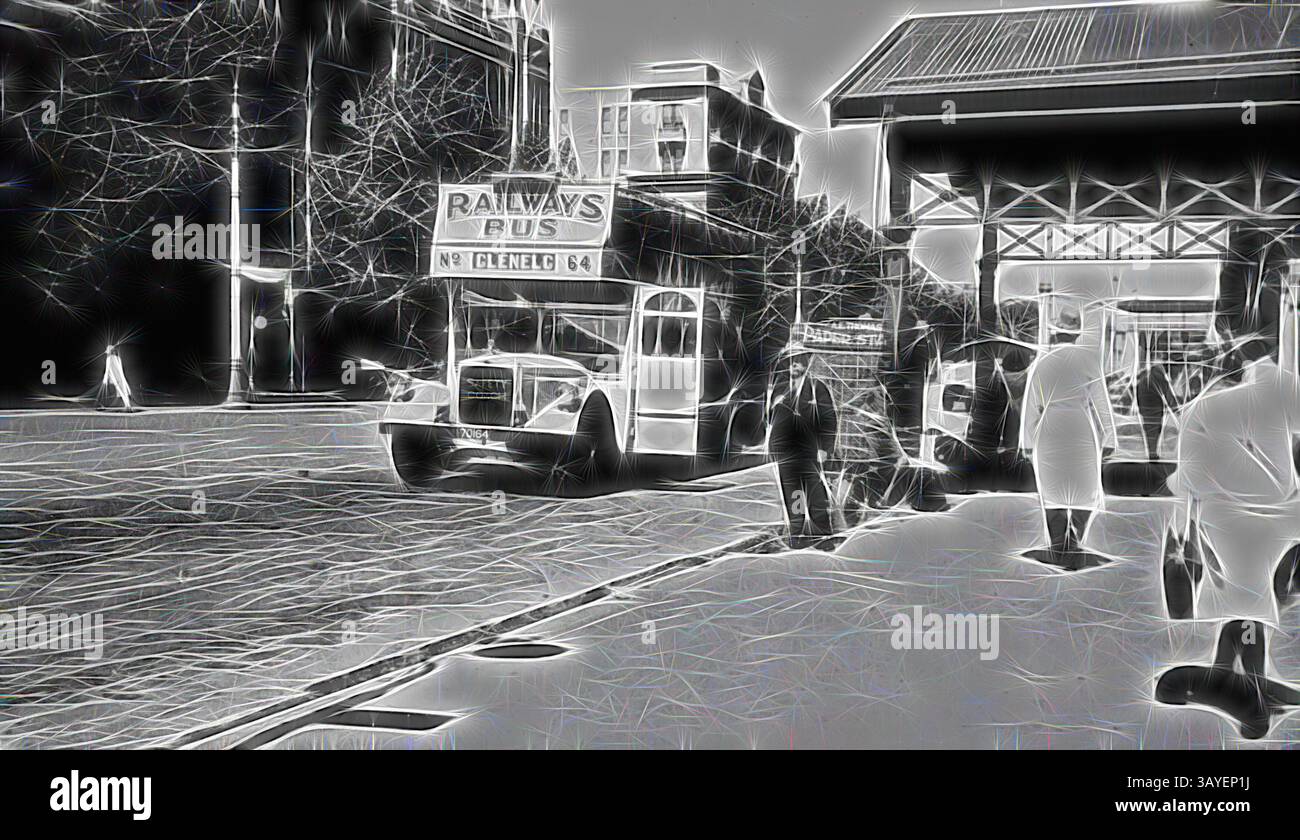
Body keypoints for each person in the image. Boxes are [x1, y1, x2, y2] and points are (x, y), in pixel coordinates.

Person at [1158, 352, 1300, 738]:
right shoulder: (1272, 394)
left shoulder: (1211, 406)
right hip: (1253, 512)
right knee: (1249, 597)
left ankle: (1230, 675)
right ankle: (1247, 682)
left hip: (1227, 510)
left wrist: (1185, 522)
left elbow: (1186, 469)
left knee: (1243, 595)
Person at [1019, 302, 1117, 569]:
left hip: (1050, 429)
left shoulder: (1044, 362)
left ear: (1055, 332)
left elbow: (1031, 406)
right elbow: (1102, 404)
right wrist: (1109, 438)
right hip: (1079, 427)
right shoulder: (1088, 360)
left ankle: (1058, 543)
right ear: (1077, 333)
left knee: (1052, 489)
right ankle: (1076, 539)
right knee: (1085, 487)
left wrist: (1027, 443)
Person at [770, 350, 836, 544]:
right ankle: (798, 534)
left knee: (815, 492)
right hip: (786, 452)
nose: (794, 365)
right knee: (793, 493)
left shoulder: (817, 388)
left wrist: (825, 447)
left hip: (809, 450)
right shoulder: (780, 388)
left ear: (806, 363)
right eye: (791, 362)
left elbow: (828, 419)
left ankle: (822, 534)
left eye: (798, 361)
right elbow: (770, 418)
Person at [1134, 337, 1178, 462]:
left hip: (1146, 409)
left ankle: (1152, 453)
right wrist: (1176, 409)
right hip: (1154, 409)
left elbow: (1138, 392)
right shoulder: (1159, 376)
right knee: (1154, 431)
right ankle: (1152, 455)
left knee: (1150, 431)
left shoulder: (1147, 376)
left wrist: (1140, 408)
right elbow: (1168, 395)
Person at [98, 344, 133, 411]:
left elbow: (107, 369)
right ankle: (127, 405)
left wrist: (106, 378)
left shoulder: (108, 358)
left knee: (115, 390)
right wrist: (123, 379)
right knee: (122, 391)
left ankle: (127, 405)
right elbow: (121, 369)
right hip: (119, 377)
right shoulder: (118, 358)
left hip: (114, 378)